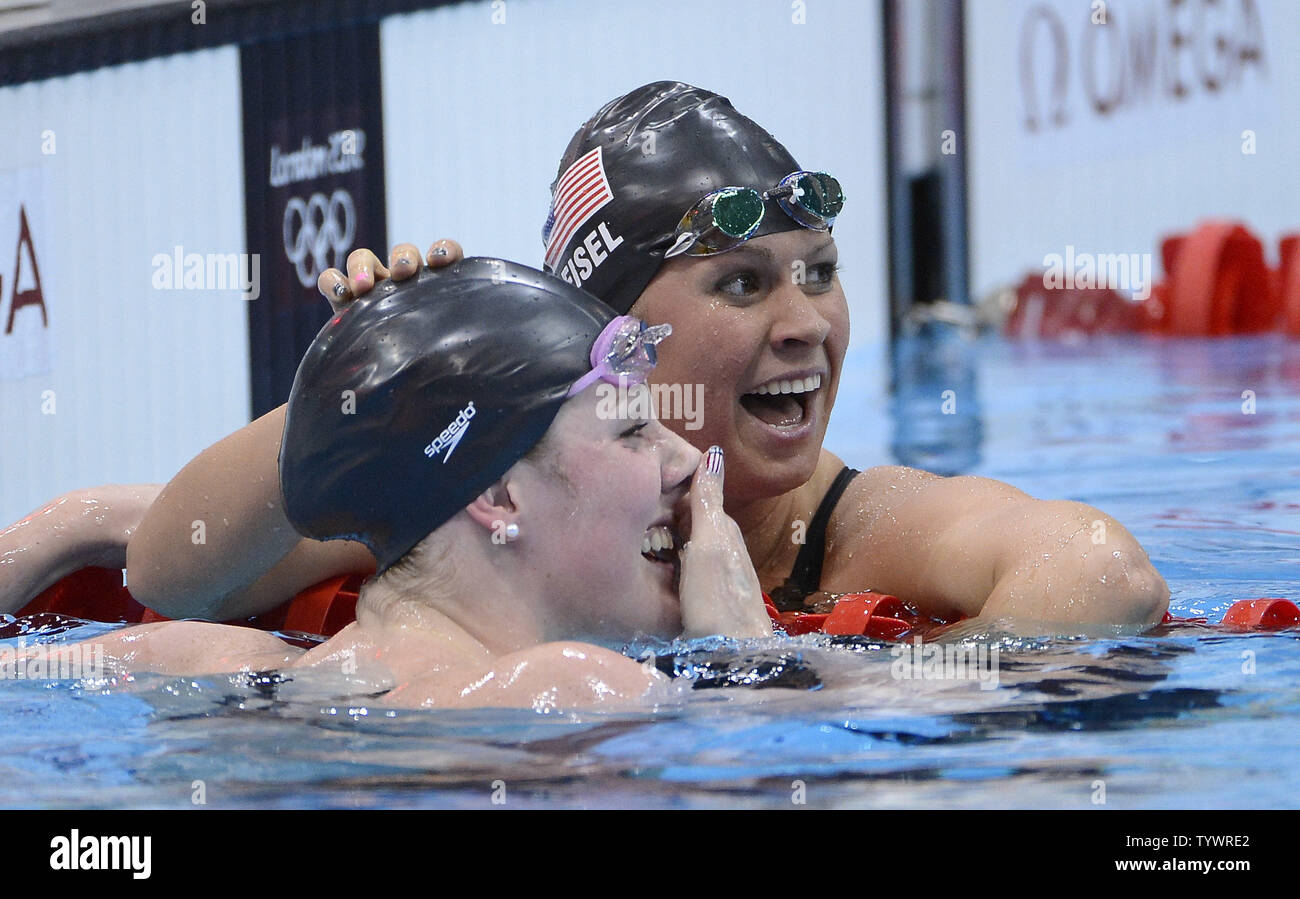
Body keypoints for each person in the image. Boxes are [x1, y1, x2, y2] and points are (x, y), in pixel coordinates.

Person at [2, 82, 1168, 628]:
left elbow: (1101, 575)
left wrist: (785, 677)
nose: (807, 320)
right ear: (608, 330)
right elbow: (172, 573)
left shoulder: (851, 534)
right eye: (744, 283)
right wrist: (361, 376)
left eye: (818, 271)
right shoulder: (483, 495)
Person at [6, 259, 771, 709]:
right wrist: (740, 659)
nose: (684, 463)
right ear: (498, 497)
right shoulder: (569, 688)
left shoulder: (212, 661)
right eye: (634, 429)